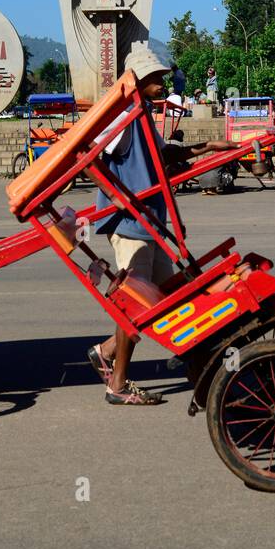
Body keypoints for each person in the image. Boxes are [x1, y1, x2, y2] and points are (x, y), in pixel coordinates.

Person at [86, 45, 191, 405]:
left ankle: (105, 350)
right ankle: (116, 385)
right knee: (136, 304)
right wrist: (115, 195)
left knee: (168, 298)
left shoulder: (142, 112)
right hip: (131, 225)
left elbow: (162, 156)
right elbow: (89, 159)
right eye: (156, 78)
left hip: (151, 222)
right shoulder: (122, 118)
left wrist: (207, 147)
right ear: (137, 79)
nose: (163, 83)